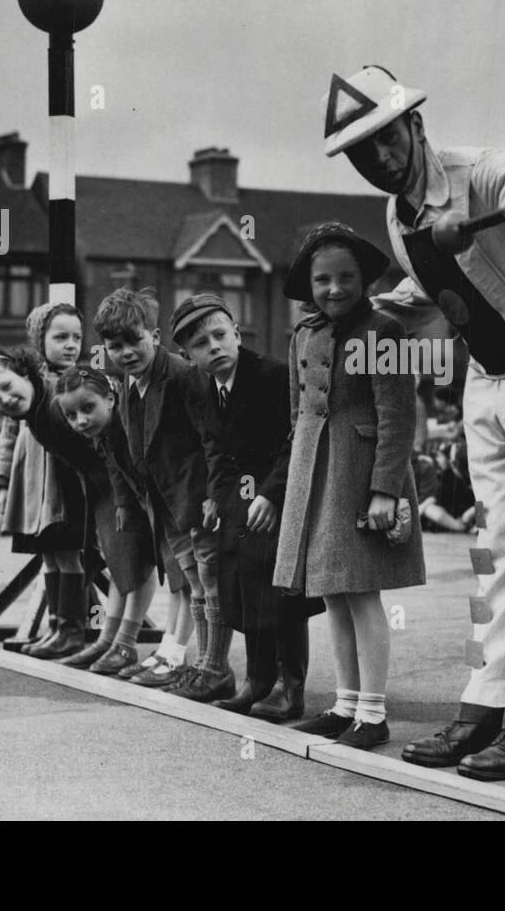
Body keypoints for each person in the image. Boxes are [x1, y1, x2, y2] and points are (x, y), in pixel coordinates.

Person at [321, 65, 505, 778]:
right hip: (487, 374)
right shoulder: (398, 218)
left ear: (416, 124)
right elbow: (431, 288)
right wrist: (378, 310)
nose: (379, 158)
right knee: (493, 550)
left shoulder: (483, 173)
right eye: (361, 152)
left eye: (387, 138)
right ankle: (487, 701)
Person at [273, 223, 426, 749]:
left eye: (346, 278)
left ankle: (373, 714)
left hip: (359, 474)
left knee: (361, 593)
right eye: (322, 280)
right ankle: (345, 705)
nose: (334, 288)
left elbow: (398, 416)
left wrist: (386, 489)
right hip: (314, 474)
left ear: (364, 280)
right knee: (332, 594)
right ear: (308, 283)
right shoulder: (302, 333)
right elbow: (297, 415)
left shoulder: (384, 331)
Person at [0, 345, 163, 674]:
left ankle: (124, 643)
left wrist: (130, 497)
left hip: (125, 483)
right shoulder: (35, 413)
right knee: (120, 563)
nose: (5, 399)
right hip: (103, 487)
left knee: (136, 563)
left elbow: (113, 430)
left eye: (7, 386)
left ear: (24, 372)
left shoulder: (56, 402)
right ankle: (108, 641)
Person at [171, 292, 323, 720]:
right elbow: (214, 448)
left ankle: (290, 688)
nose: (214, 347)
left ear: (237, 334)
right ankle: (258, 680)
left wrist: (272, 494)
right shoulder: (202, 388)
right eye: (201, 344)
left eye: (220, 335)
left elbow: (296, 438)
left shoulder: (272, 376)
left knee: (283, 594)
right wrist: (217, 498)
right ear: (188, 355)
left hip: (280, 496)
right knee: (245, 588)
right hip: (238, 503)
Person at [94, 288, 217, 691]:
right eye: (115, 346)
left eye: (135, 340)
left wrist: (211, 496)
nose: (126, 352)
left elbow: (210, 440)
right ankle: (168, 652)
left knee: (195, 583)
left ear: (156, 336)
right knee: (180, 582)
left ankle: (184, 658)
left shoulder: (182, 376)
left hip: (191, 498)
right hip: (162, 503)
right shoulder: (129, 386)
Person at [0, 303, 89, 660]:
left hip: (63, 483)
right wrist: (1, 482)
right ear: (39, 340)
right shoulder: (23, 384)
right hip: (33, 483)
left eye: (76, 337)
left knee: (68, 553)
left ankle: (73, 630)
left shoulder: (79, 382)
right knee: (49, 555)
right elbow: (7, 436)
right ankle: (56, 626)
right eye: (60, 337)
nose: (70, 345)